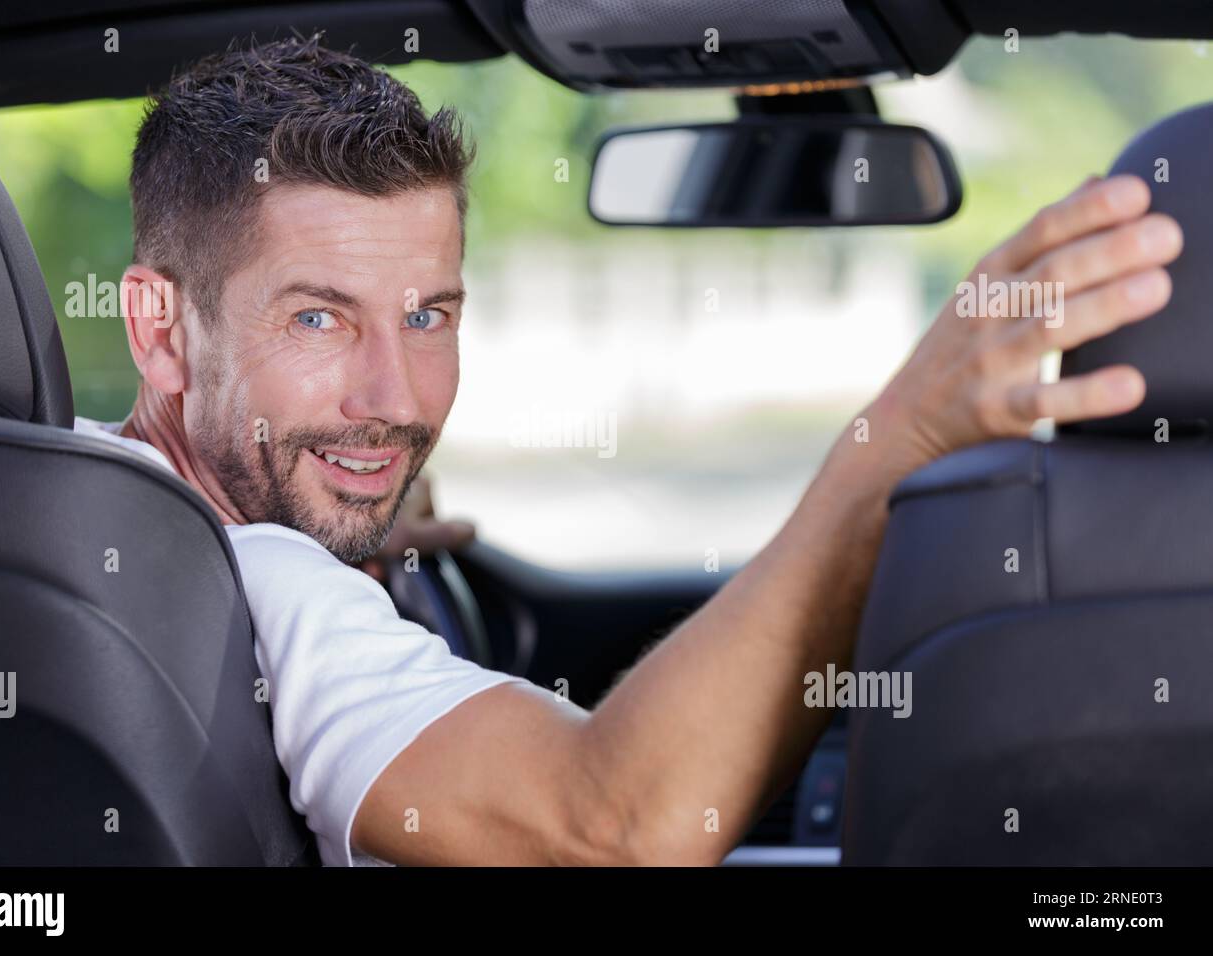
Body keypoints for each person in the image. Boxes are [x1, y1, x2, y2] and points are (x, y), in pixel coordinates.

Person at [78, 35, 1182, 865]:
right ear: (160, 327)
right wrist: (900, 436)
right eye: (317, 319)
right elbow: (612, 830)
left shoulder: (39, 499)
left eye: (428, 316)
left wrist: (338, 523)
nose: (396, 398)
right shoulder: (270, 588)